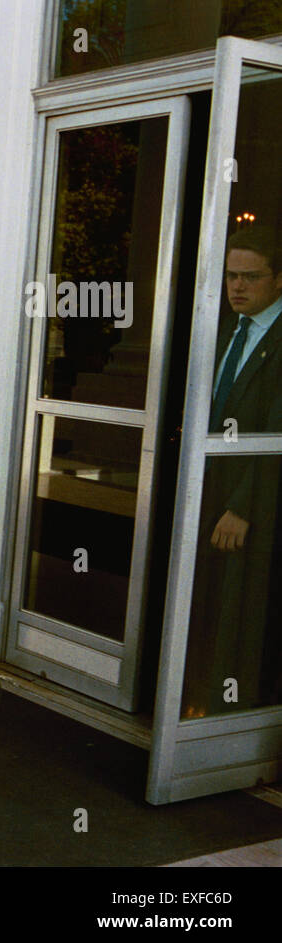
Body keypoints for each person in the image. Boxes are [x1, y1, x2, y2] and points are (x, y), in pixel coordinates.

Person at [183, 226, 282, 715]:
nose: (237, 287)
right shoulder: (226, 328)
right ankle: (201, 701)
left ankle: (229, 715)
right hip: (209, 491)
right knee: (207, 604)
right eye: (230, 276)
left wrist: (243, 506)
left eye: (251, 277)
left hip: (254, 504)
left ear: (279, 280)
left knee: (244, 613)